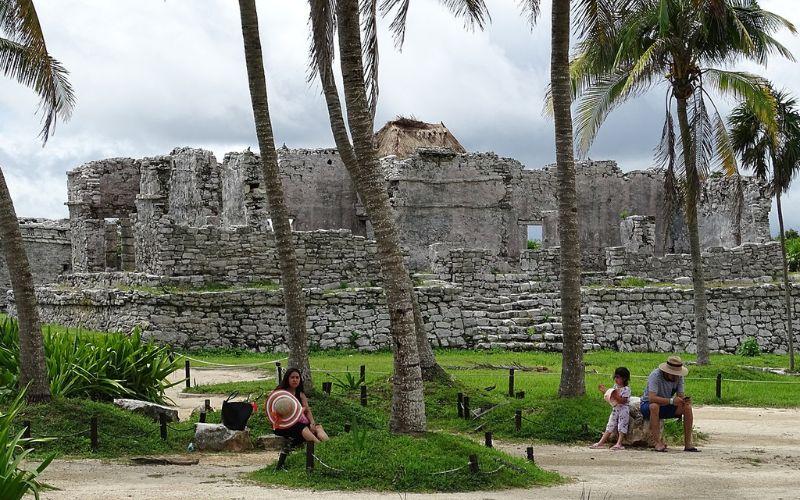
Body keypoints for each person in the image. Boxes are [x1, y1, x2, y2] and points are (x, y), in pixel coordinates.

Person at [641, 355, 698, 452]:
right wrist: (671, 401)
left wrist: (683, 400)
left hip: (666, 406)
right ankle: (657, 442)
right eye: (673, 374)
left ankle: (688, 443)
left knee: (687, 407)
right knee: (654, 406)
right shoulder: (655, 376)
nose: (676, 376)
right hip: (648, 406)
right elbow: (651, 398)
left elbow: (680, 395)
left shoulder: (679, 377)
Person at [266, 368, 329, 444]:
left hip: (300, 422)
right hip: (284, 426)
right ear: (287, 379)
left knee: (318, 427)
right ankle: (318, 445)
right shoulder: (280, 394)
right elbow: (272, 410)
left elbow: (307, 410)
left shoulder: (301, 394)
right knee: (301, 427)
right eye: (292, 377)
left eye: (297, 377)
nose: (295, 380)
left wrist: (312, 423)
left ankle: (328, 445)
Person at [590, 367, 631, 450]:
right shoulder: (615, 387)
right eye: (615, 377)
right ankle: (601, 442)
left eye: (618, 377)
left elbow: (623, 401)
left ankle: (619, 443)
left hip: (623, 410)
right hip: (615, 409)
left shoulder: (626, 389)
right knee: (610, 424)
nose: (616, 379)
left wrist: (615, 395)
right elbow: (611, 396)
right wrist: (605, 391)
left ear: (624, 378)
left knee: (622, 425)